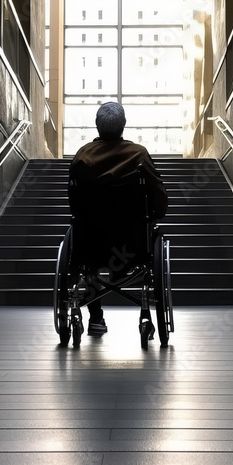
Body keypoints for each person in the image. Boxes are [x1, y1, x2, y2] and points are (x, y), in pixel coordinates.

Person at [68, 102, 167, 335]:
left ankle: (95, 318)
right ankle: (145, 315)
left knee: (88, 263)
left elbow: (74, 202)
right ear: (123, 126)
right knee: (148, 236)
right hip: (133, 245)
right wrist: (153, 218)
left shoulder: (82, 156)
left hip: (90, 243)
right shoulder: (138, 154)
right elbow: (158, 195)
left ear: (97, 126)